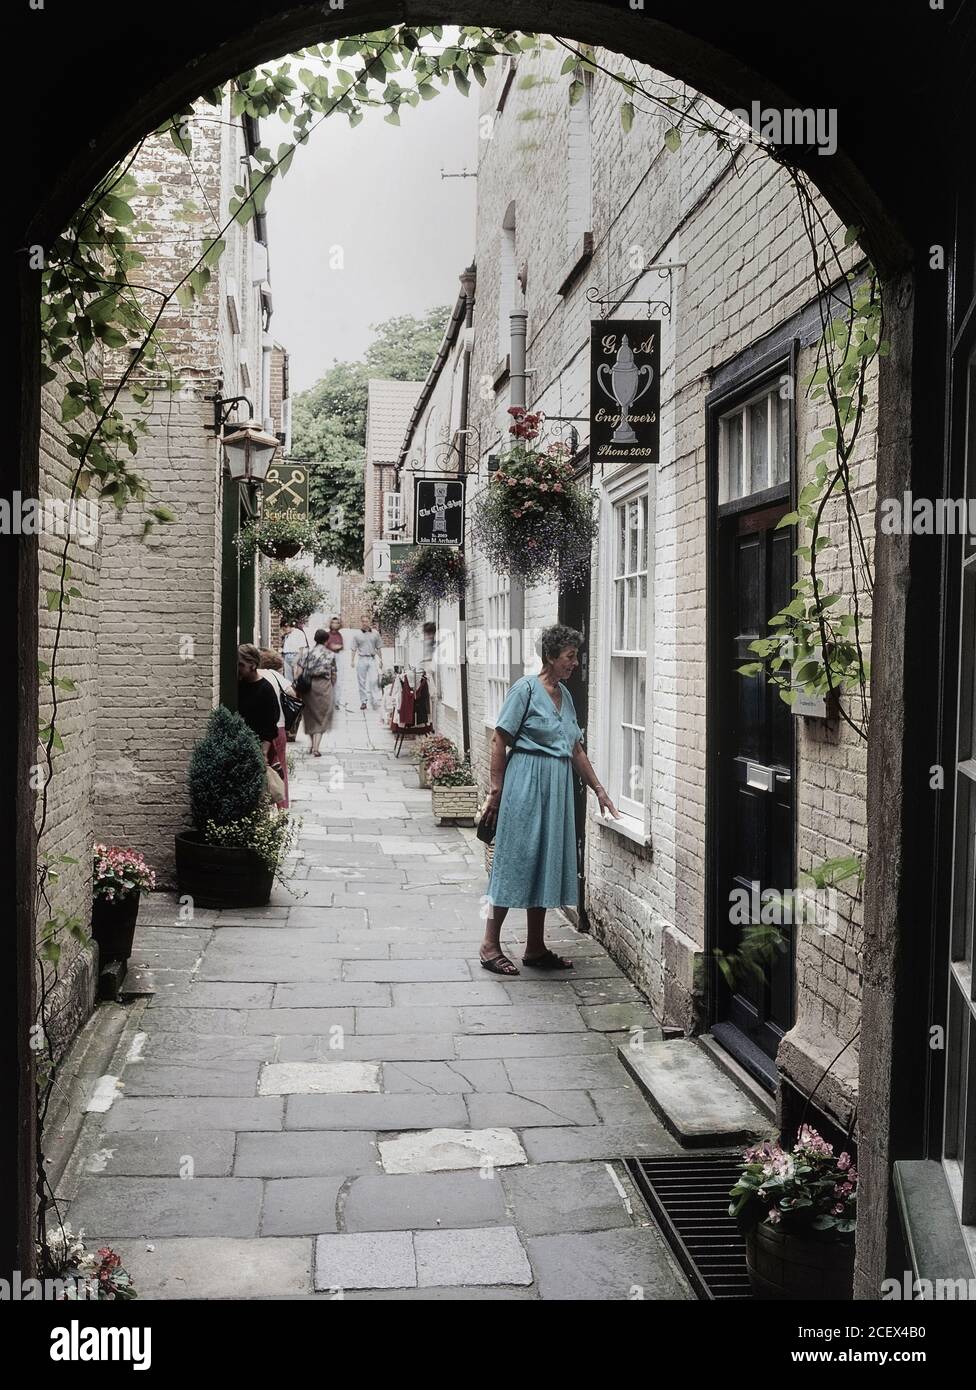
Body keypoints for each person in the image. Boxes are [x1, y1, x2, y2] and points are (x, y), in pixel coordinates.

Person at [478, 623, 620, 976]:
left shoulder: (566, 696)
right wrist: (496, 792)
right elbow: (500, 739)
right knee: (516, 858)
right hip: (525, 782)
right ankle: (489, 944)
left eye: (576, 656)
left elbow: (575, 748)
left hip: (557, 788)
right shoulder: (525, 689)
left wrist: (599, 790)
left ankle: (536, 947)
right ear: (551, 657)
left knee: (544, 861)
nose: (575, 663)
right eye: (570, 657)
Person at [236, 642, 283, 791]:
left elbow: (270, 726)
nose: (238, 669)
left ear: (253, 665)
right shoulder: (238, 685)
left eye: (241, 665)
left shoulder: (265, 690)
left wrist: (263, 753)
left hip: (257, 746)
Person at [258, 648, 295, 808]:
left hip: (260, 727)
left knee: (262, 766)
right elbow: (292, 693)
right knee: (280, 766)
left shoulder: (256, 675)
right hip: (278, 726)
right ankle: (282, 805)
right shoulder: (275, 676)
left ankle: (263, 804)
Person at [295, 627, 337, 757]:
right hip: (324, 686)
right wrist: (332, 685)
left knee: (310, 715)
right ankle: (316, 748)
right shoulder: (330, 654)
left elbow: (299, 672)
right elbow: (334, 674)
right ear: (326, 640)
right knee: (322, 716)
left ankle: (311, 744)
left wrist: (298, 685)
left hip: (308, 686)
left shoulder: (307, 653)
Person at [350, 614, 383, 710]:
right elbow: (353, 648)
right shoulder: (357, 635)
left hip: (372, 659)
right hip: (362, 659)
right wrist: (352, 660)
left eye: (366, 621)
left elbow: (379, 647)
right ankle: (363, 701)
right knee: (361, 682)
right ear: (361, 622)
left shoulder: (375, 633)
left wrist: (381, 660)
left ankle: (374, 700)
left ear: (369, 622)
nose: (365, 623)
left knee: (373, 680)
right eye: (363, 621)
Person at [324, 617, 346, 709]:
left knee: (338, 680)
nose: (335, 624)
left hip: (338, 657)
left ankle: (336, 702)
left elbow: (341, 646)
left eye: (337, 623)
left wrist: (335, 647)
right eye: (333, 623)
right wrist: (333, 647)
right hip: (329, 657)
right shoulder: (327, 634)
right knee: (329, 679)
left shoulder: (340, 635)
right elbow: (327, 646)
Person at [280, 619, 309, 684]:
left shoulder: (299, 633)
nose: (285, 630)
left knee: (296, 678)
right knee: (288, 680)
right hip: (286, 657)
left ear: (290, 626)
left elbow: (301, 650)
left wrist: (296, 660)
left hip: (295, 656)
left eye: (286, 628)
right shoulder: (287, 635)